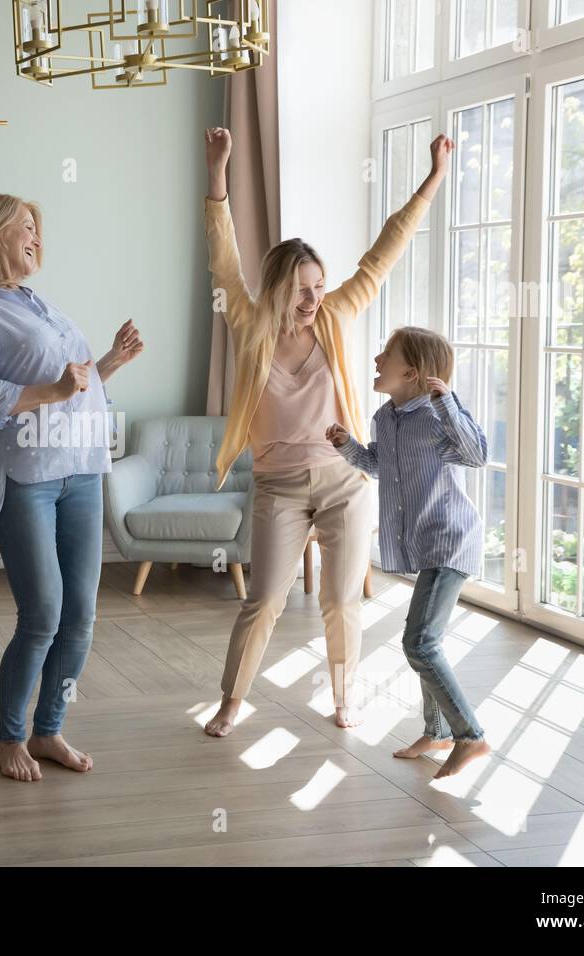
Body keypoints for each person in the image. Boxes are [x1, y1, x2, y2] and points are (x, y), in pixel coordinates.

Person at [202, 127, 455, 735]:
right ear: (278, 287)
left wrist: (434, 181)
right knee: (264, 599)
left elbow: (383, 253)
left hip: (345, 483)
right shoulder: (248, 321)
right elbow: (223, 254)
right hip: (279, 485)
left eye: (319, 286)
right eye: (303, 288)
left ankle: (344, 698)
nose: (314, 298)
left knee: (342, 602)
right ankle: (232, 701)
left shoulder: (337, 316)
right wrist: (217, 173)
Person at [0, 193, 144, 782]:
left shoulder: (39, 302)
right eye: (26, 226)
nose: (37, 236)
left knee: (80, 614)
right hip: (25, 475)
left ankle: (49, 729)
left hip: (81, 469)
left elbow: (69, 386)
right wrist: (55, 390)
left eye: (38, 228)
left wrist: (109, 362)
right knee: (43, 614)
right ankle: (10, 738)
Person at [326, 326, 492, 778]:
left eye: (386, 355)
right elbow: (378, 465)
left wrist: (447, 402)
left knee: (420, 642)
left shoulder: (439, 416)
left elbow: (477, 456)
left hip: (450, 538)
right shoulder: (386, 417)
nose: (377, 360)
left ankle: (470, 735)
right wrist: (347, 446)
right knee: (424, 640)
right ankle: (437, 731)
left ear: (412, 371)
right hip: (424, 542)